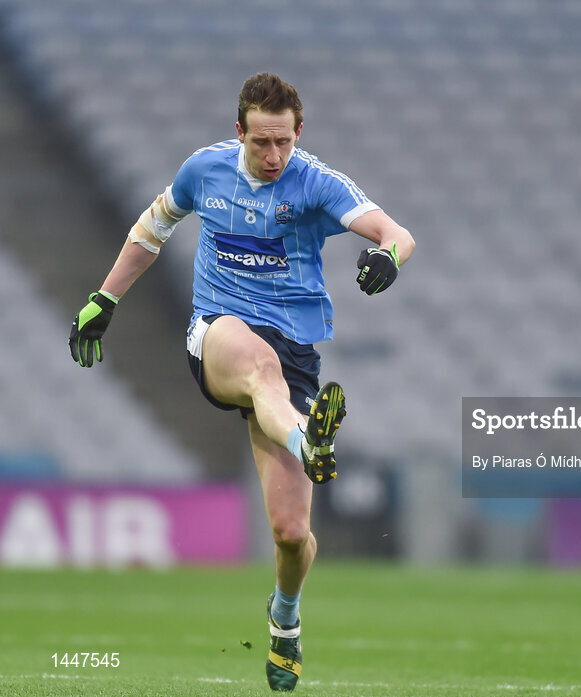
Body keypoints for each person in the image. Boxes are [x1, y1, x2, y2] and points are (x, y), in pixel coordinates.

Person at [68, 73, 415, 692]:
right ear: (239, 133)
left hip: (294, 353)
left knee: (292, 535)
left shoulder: (316, 182)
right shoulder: (204, 170)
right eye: (261, 142)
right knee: (259, 367)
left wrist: (388, 257)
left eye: (284, 141)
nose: (273, 155)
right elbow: (151, 229)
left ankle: (285, 618)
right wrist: (105, 297)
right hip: (218, 331)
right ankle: (309, 441)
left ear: (299, 133)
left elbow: (398, 233)